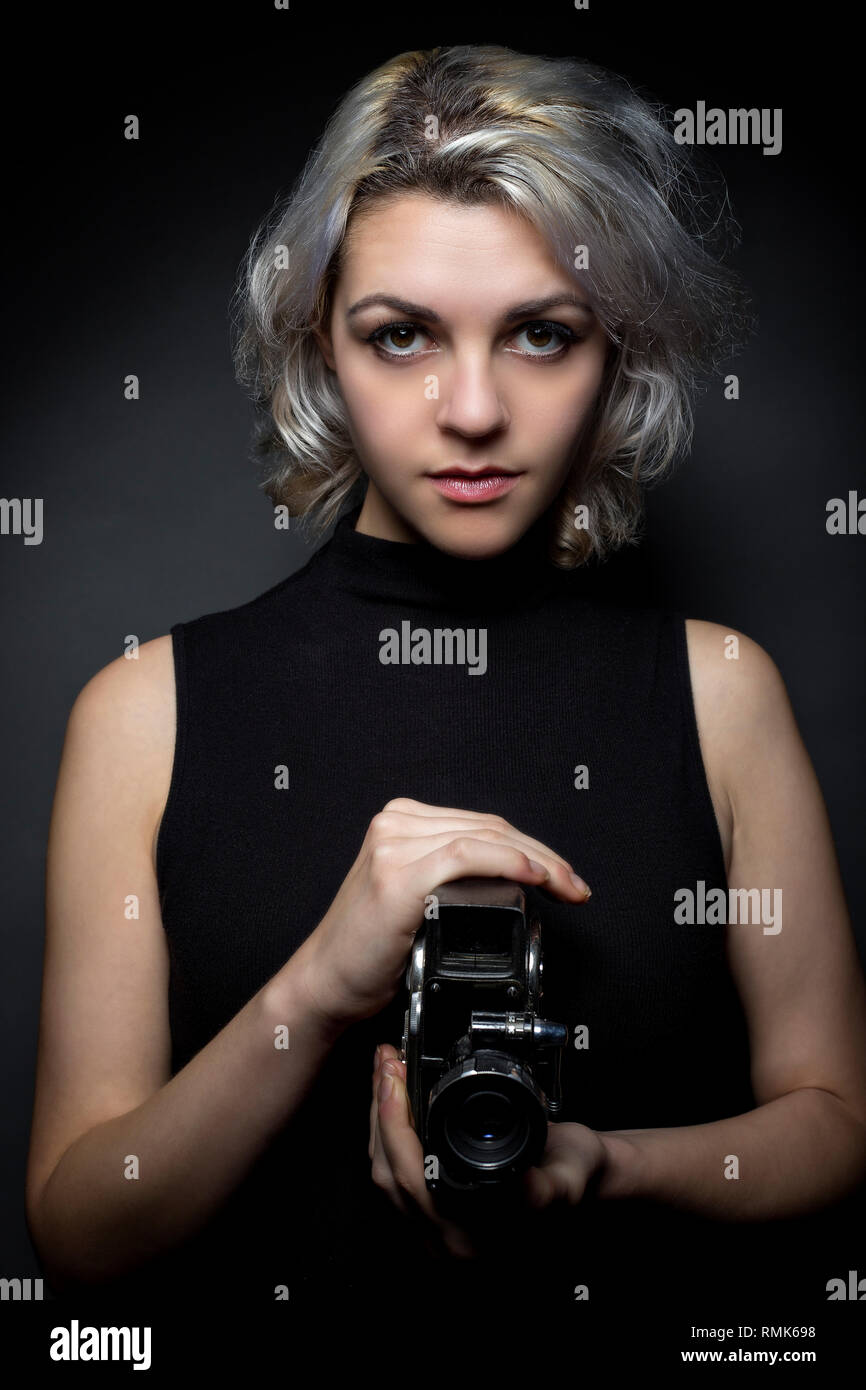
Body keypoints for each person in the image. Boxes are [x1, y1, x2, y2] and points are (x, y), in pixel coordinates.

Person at [25, 45, 866, 1327]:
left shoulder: (720, 691)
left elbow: (833, 1123)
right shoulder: (143, 712)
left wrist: (603, 1169)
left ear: (616, 345)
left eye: (539, 333)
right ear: (320, 342)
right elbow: (81, 1228)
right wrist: (313, 990)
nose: (470, 409)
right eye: (401, 334)